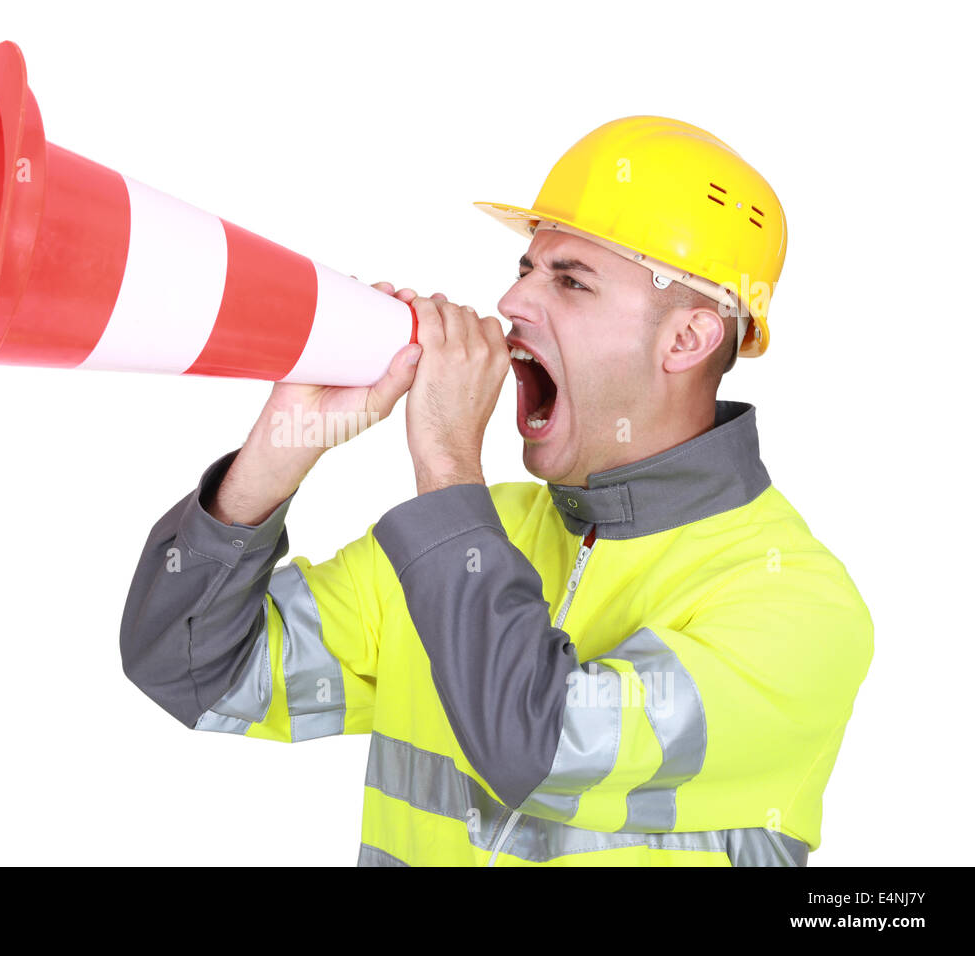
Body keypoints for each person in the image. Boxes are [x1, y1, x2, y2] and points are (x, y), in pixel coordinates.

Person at [119, 116, 873, 866]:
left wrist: (447, 460)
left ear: (687, 340)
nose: (513, 304)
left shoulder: (797, 607)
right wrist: (276, 455)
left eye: (571, 280)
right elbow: (189, 671)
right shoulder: (471, 538)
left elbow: (537, 748)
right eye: (525, 269)